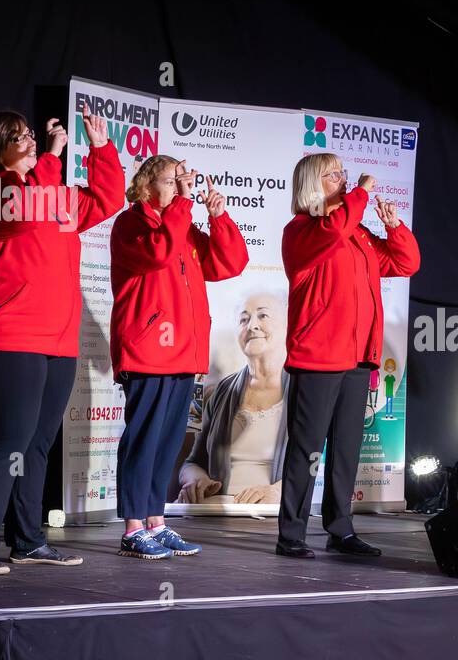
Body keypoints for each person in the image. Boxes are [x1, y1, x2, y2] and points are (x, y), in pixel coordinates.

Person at [0, 112, 124, 575]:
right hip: (8, 333)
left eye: (31, 135)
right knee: (10, 439)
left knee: (37, 445)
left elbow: (107, 198)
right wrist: (50, 157)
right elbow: (27, 212)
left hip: (57, 337)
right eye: (19, 138)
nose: (31, 142)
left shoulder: (55, 196)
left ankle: (28, 540)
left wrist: (100, 148)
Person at [276, 155, 420, 559]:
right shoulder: (303, 231)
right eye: (333, 174)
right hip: (319, 357)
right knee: (307, 449)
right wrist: (359, 192)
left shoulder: (356, 235)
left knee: (346, 450)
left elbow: (406, 262)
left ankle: (340, 528)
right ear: (312, 184)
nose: (343, 179)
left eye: (343, 173)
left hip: (358, 359)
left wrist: (393, 226)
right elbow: (333, 229)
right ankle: (291, 534)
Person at [110, 156, 249, 558]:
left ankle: (157, 522)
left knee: (168, 443)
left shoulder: (181, 224)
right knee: (144, 438)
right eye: (171, 179)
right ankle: (133, 526)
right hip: (148, 348)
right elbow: (158, 254)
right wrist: (184, 205)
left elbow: (229, 263)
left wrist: (219, 217)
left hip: (184, 351)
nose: (180, 185)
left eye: (181, 179)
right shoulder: (131, 223)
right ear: (147, 184)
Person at [178, 292, 290, 506]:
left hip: (279, 515)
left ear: (287, 327)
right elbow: (190, 463)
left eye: (263, 316)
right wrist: (196, 480)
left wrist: (280, 491)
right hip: (215, 513)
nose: (252, 326)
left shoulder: (307, 391)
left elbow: (322, 464)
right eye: (244, 319)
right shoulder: (214, 392)